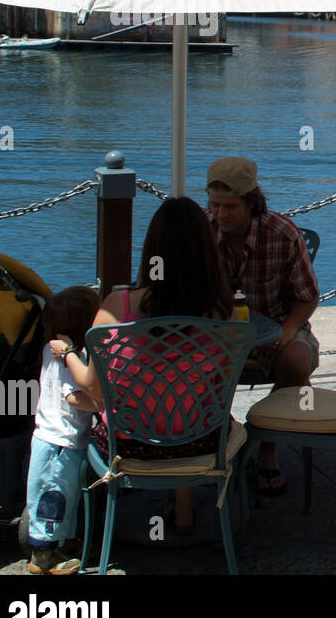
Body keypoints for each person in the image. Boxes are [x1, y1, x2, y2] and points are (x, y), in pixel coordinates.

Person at [66, 197, 233, 535]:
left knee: (70, 399)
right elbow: (219, 387)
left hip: (128, 444)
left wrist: (68, 351)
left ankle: (64, 519)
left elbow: (94, 388)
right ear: (205, 251)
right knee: (186, 405)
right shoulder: (222, 313)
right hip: (198, 442)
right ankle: (184, 510)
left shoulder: (117, 306)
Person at [205, 157, 319, 496]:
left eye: (230, 207)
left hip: (277, 325)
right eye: (214, 206)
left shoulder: (281, 233)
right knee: (198, 367)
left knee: (297, 362)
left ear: (251, 203)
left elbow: (308, 296)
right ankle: (218, 440)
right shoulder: (202, 230)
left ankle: (266, 449)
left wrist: (288, 330)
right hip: (217, 332)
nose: (221, 215)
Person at [25, 286, 100, 575]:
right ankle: (44, 555)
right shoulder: (69, 360)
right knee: (54, 495)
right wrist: (100, 405)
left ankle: (59, 542)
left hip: (51, 437)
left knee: (61, 494)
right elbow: (72, 396)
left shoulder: (49, 349)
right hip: (61, 441)